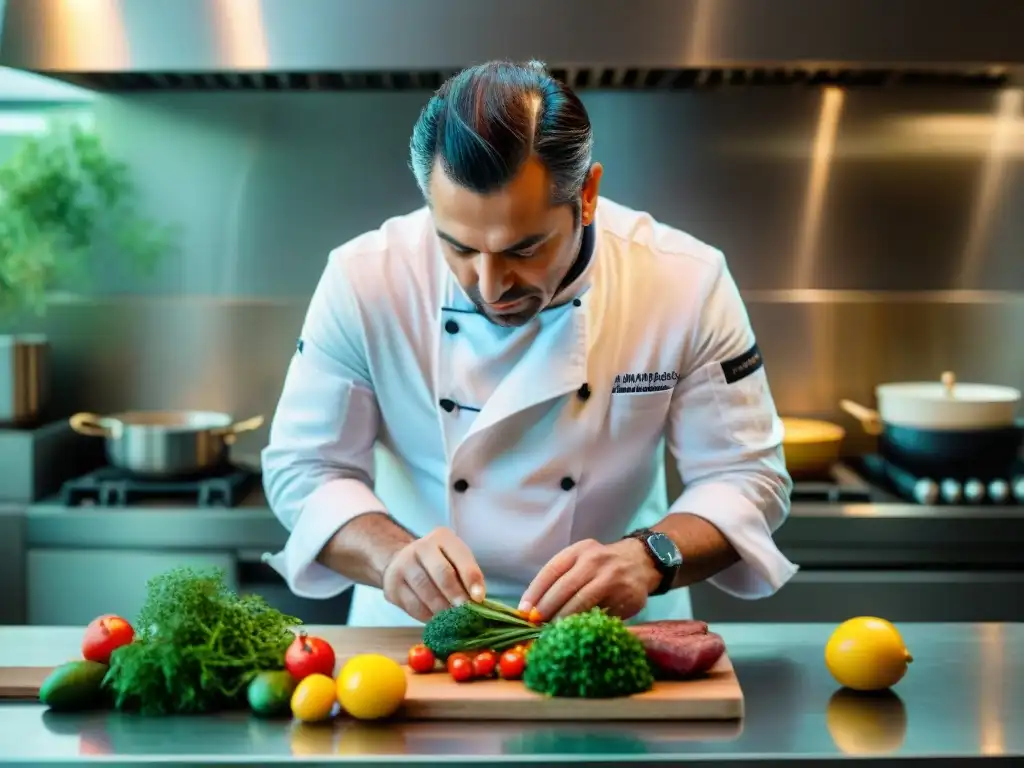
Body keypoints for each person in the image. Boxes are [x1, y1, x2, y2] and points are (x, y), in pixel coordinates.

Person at [261, 59, 797, 627]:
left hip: (612, 636)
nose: (488, 287)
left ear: (586, 195)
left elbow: (747, 477)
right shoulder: (365, 279)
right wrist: (391, 556)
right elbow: (306, 469)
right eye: (459, 248)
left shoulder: (683, 280)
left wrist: (649, 558)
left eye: (523, 249)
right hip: (411, 637)